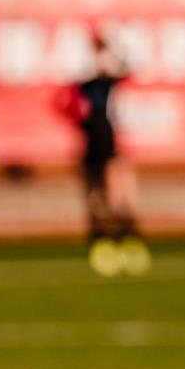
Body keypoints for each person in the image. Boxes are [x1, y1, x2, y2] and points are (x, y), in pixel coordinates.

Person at [59, 33, 150, 276]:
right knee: (95, 197)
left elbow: (128, 67)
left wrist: (111, 49)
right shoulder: (84, 86)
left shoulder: (107, 83)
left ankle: (128, 240)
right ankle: (102, 243)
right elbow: (62, 103)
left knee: (119, 195)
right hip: (91, 149)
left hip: (109, 148)